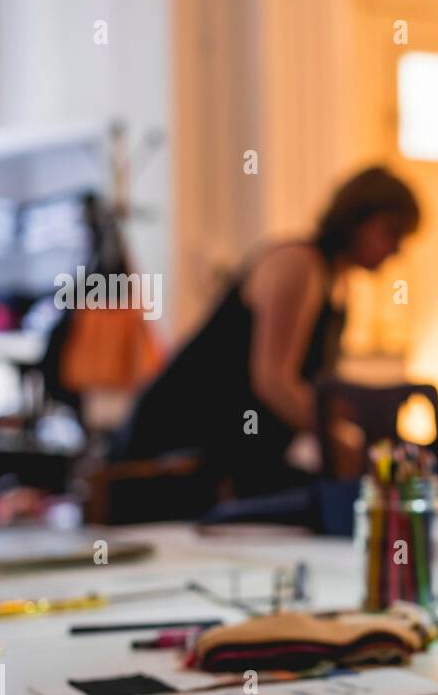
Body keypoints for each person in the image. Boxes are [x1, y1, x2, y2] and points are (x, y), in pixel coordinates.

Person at [110, 166, 421, 511]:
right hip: (173, 449)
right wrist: (337, 440)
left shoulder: (338, 286)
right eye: (392, 232)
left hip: (233, 456)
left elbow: (313, 391)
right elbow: (273, 382)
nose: (396, 249)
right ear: (358, 217)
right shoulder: (298, 265)